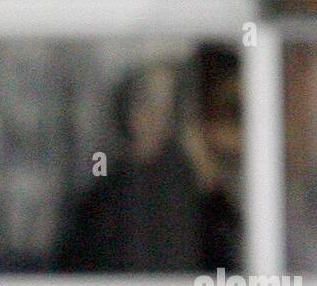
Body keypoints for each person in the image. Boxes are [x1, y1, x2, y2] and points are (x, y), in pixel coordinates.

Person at [52, 46, 241, 274]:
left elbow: (226, 258)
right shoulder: (103, 197)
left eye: (169, 106)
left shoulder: (193, 190)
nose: (157, 117)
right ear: (128, 110)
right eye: (147, 102)